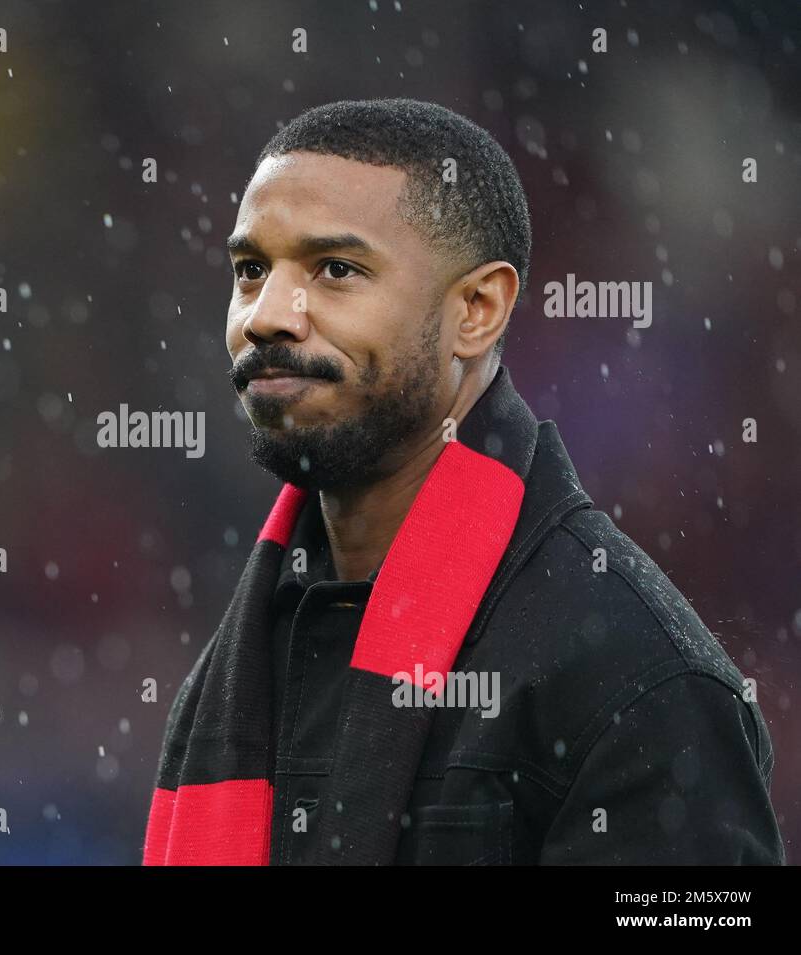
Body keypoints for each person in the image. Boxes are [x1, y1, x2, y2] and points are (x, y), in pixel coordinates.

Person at [142, 98, 785, 865]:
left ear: (477, 311)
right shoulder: (239, 670)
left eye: (336, 270)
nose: (268, 316)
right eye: (251, 271)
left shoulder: (636, 680)